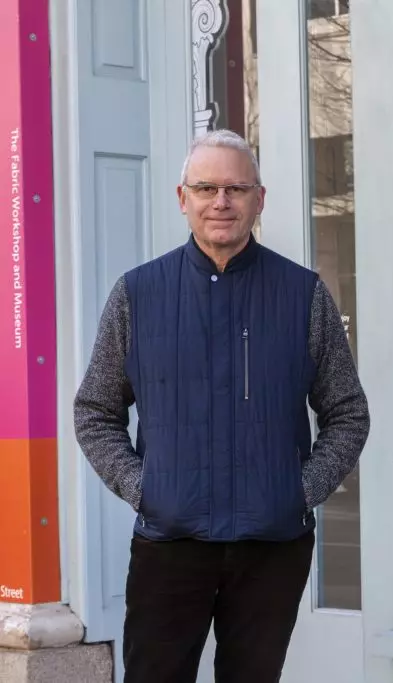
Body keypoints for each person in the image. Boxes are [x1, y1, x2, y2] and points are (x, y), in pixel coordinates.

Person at [73, 129, 370, 683]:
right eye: (206, 187)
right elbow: (94, 411)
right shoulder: (137, 295)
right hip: (170, 544)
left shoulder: (303, 295)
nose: (221, 201)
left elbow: (348, 412)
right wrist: (147, 489)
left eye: (236, 188)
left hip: (271, 548)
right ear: (182, 198)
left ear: (260, 199)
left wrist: (298, 491)